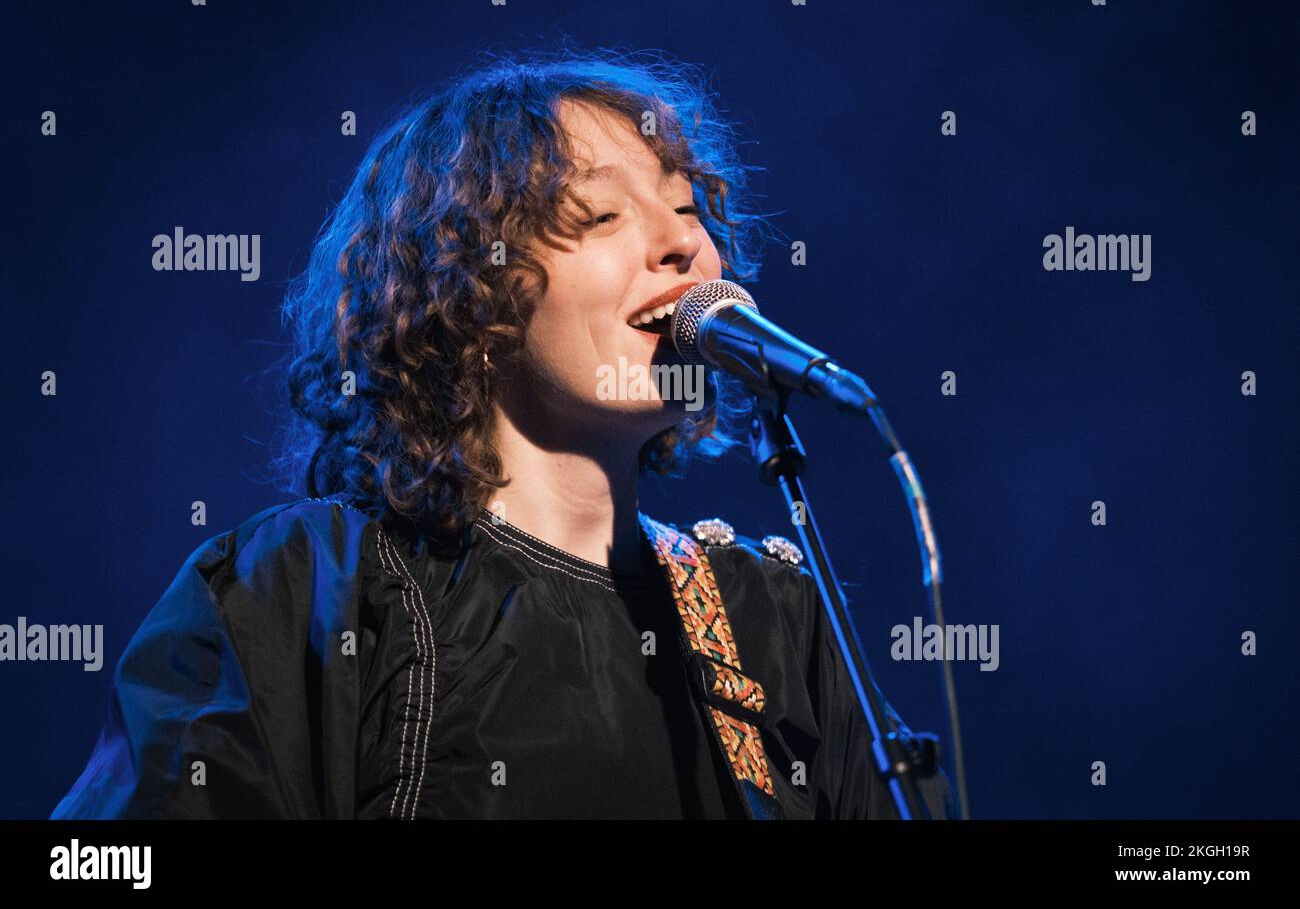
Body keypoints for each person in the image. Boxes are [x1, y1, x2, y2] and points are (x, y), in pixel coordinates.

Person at [51, 48, 954, 820]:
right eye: (600, 216)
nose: (683, 247)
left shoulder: (773, 619)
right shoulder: (306, 589)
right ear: (468, 293)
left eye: (688, 210)